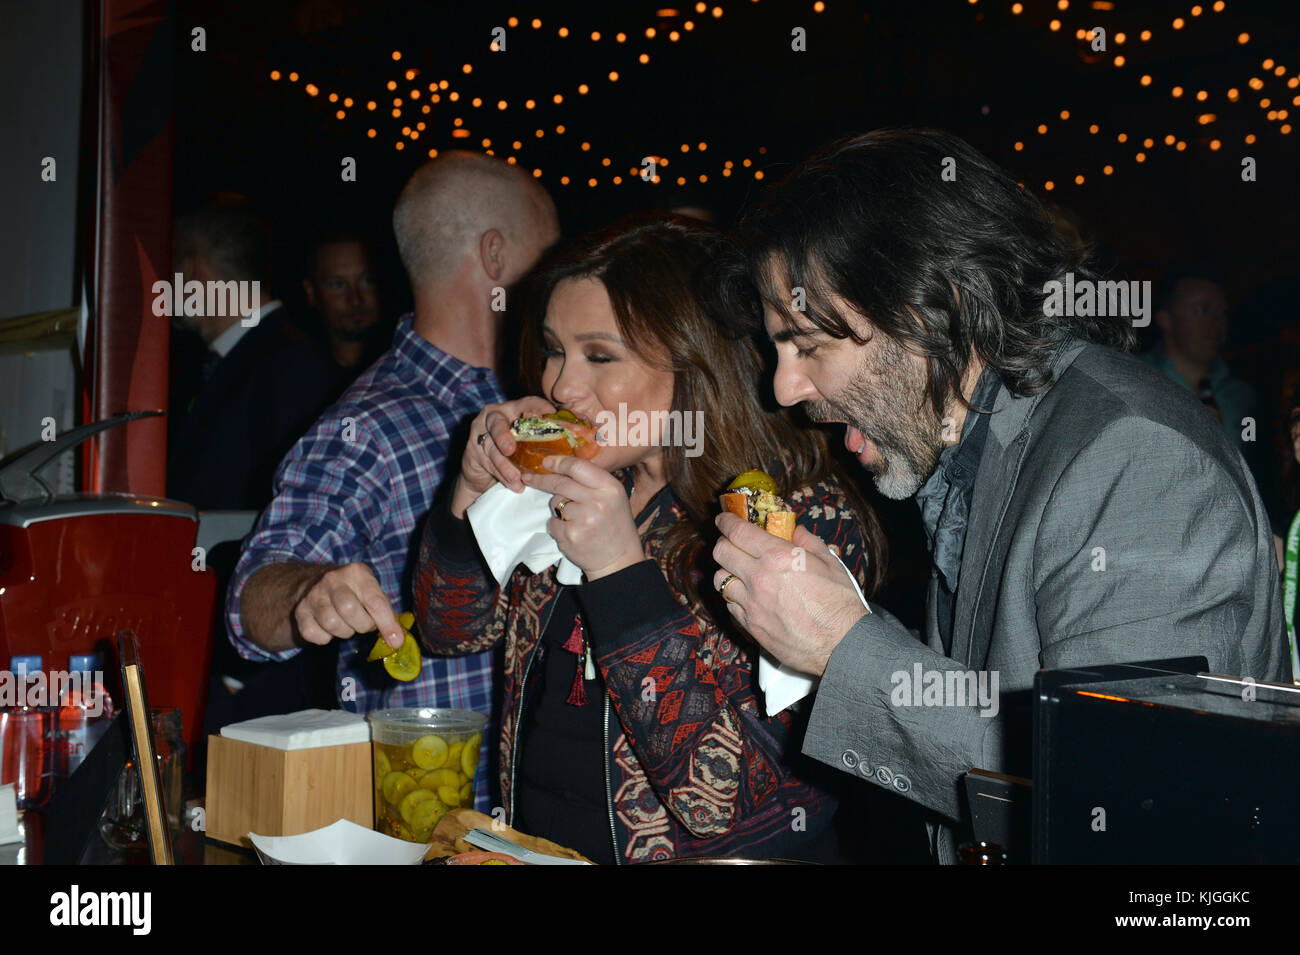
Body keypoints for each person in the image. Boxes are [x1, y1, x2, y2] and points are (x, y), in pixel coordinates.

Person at [708, 127, 1292, 864]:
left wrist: (843, 645)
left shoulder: (1134, 454)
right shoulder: (981, 447)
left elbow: (1123, 797)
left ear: (935, 307)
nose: (783, 388)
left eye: (808, 344)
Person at [414, 214, 890, 863]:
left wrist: (618, 571)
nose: (560, 385)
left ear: (695, 361)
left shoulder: (792, 520)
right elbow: (450, 629)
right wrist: (469, 493)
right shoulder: (573, 480)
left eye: (599, 355)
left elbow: (719, 801)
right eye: (554, 348)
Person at [224, 153, 559, 811]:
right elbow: (248, 606)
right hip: (436, 824)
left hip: (552, 818)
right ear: (496, 256)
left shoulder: (541, 403)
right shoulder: (367, 427)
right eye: (550, 255)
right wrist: (312, 591)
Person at [167, 196, 339, 511]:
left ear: (192, 270)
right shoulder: (228, 361)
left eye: (170, 269)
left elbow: (291, 505)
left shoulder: (291, 365)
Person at [1141, 263, 1287, 540]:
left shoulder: (1244, 397)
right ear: (1165, 320)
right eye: (1201, 310)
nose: (1216, 324)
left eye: (1222, 313)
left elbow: (1262, 479)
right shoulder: (1137, 384)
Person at [300, 226, 391, 381]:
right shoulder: (295, 377)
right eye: (337, 285)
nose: (355, 300)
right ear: (311, 292)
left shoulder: (406, 370)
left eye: (367, 281)